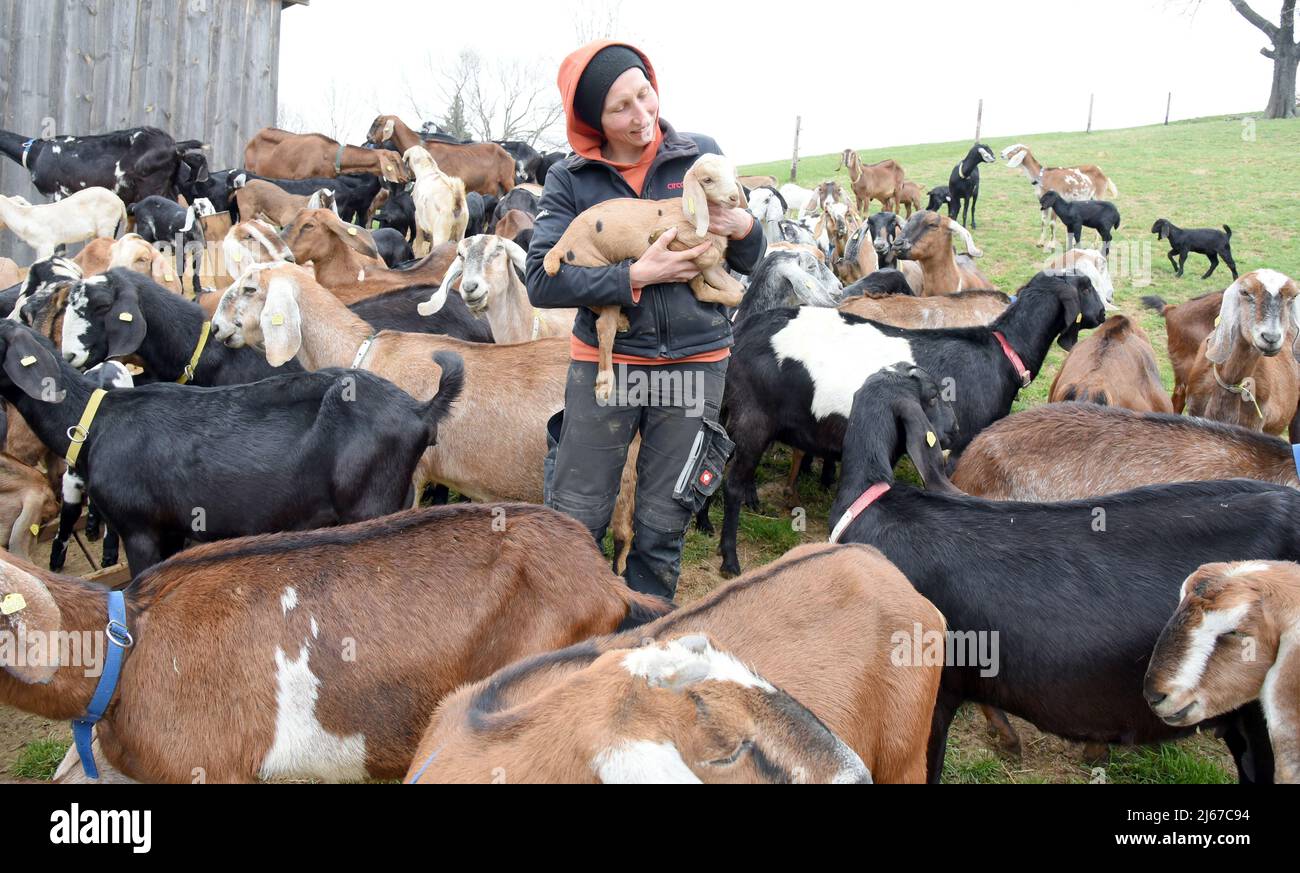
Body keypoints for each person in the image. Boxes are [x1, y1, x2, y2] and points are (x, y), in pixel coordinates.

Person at [526, 40, 766, 601]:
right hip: (608, 368)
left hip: (693, 364)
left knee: (662, 524)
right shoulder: (571, 179)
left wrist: (745, 230)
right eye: (620, 108)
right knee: (575, 519)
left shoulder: (699, 158)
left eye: (644, 94)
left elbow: (752, 259)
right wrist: (632, 278)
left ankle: (641, 643)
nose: (641, 116)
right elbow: (541, 278)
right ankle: (571, 641)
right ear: (594, 121)